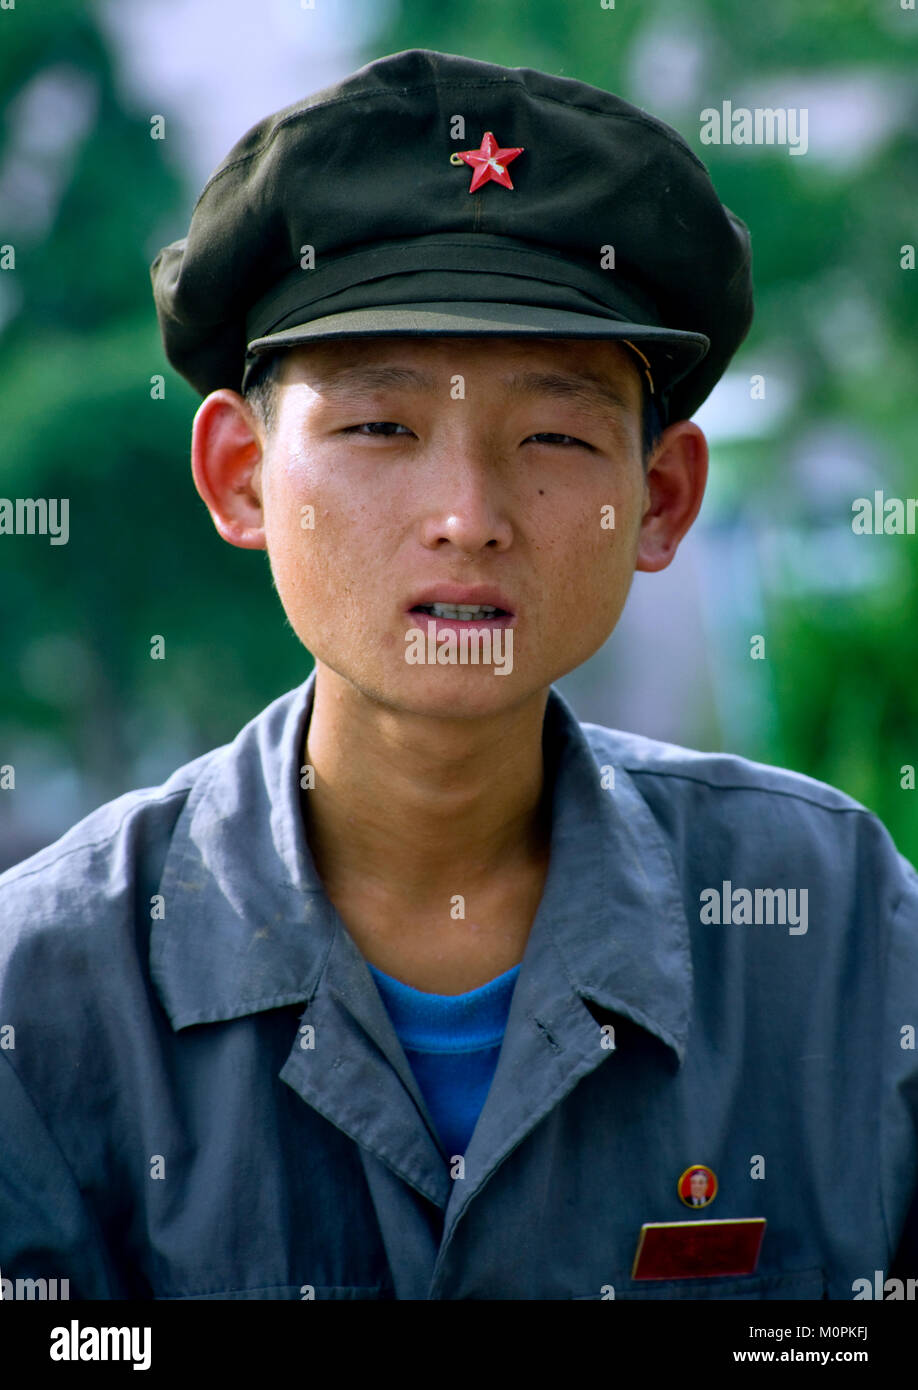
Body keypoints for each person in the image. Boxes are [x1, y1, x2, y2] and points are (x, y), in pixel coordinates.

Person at [1, 47, 916, 1303]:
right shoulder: (47, 986)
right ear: (242, 476)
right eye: (380, 426)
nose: (468, 516)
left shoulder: (841, 927)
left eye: (553, 433)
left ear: (660, 497)